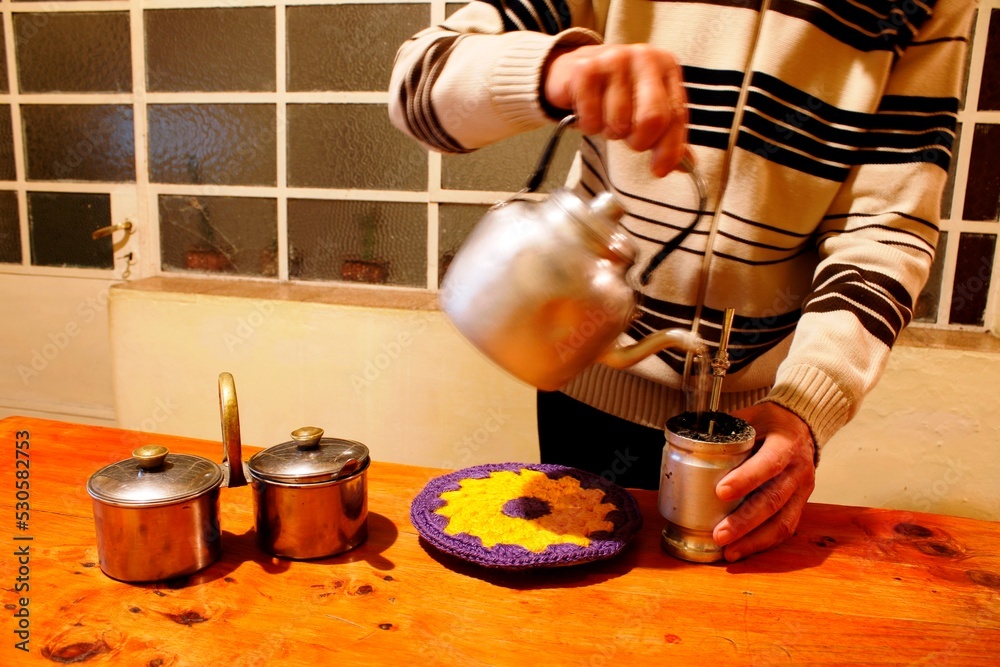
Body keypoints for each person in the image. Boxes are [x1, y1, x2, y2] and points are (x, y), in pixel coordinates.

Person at [388, 0, 976, 561]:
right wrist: (558, 70)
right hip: (586, 392)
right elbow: (419, 85)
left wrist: (806, 407)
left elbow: (885, 228)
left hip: (760, 421)